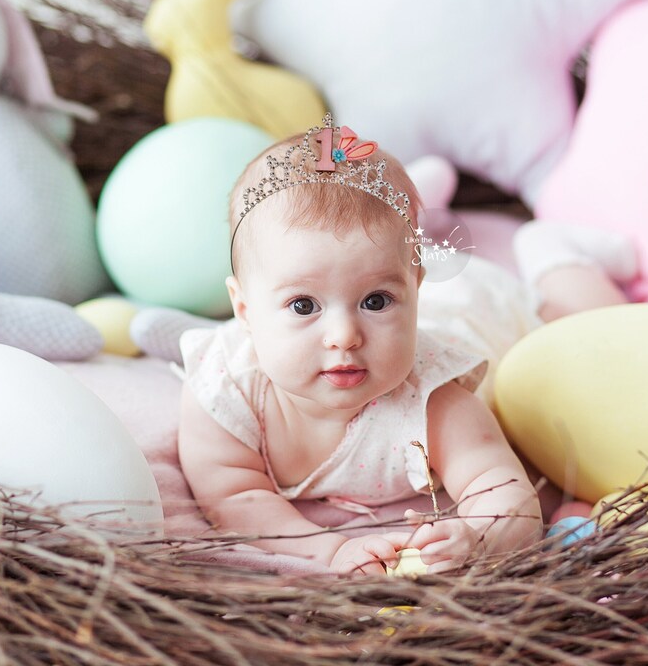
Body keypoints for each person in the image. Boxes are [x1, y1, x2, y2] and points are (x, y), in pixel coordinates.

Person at [177, 116, 543, 575]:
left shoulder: (433, 401)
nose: (344, 335)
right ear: (245, 310)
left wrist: (478, 536)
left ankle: (553, 253)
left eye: (376, 301)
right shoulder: (227, 388)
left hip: (481, 303)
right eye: (304, 305)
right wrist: (328, 551)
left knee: (556, 324)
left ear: (414, 290)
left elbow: (510, 495)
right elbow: (231, 495)